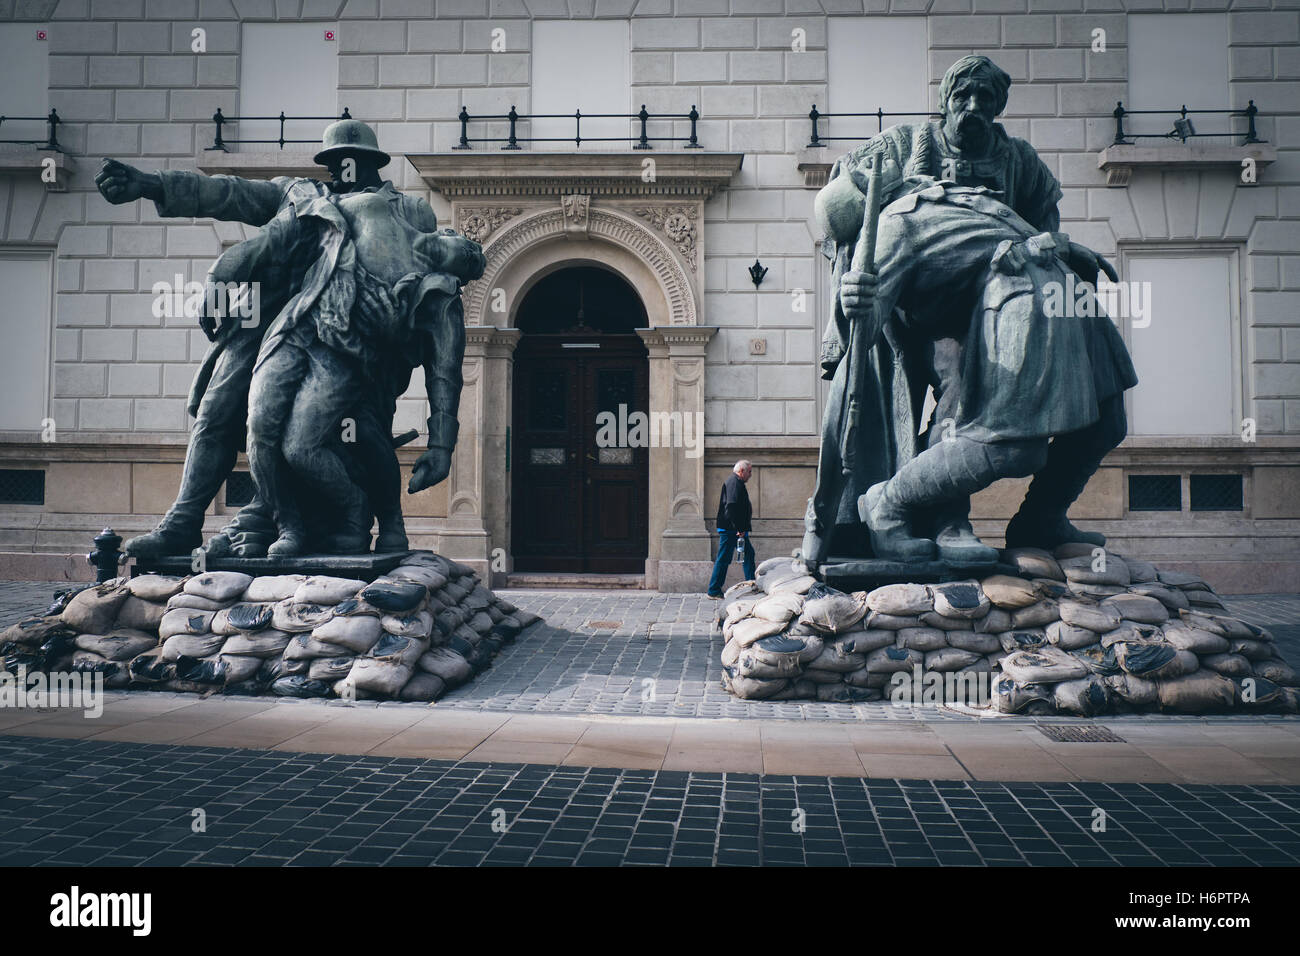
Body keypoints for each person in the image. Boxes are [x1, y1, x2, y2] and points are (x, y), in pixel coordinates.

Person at [800, 54, 1136, 569]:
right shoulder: (904, 166)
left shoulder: (1020, 161)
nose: (974, 106)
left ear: (999, 106)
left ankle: (1042, 517)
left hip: (1013, 292)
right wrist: (855, 290)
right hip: (930, 308)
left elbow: (1039, 228)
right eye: (963, 96)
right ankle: (940, 517)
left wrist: (1064, 249)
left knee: (1107, 415)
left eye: (985, 98)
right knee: (960, 394)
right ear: (945, 102)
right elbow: (835, 214)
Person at [93, 119, 483, 556]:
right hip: (275, 320)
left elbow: (432, 319)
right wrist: (151, 184)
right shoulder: (301, 194)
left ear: (372, 162)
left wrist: (439, 437)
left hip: (352, 342)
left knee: (337, 435)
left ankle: (298, 519)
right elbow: (227, 193)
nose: (341, 169)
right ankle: (186, 521)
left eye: (347, 160)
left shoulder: (410, 211)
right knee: (219, 411)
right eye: (333, 162)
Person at [707, 460, 757, 598]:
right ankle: (713, 590)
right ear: (741, 471)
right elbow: (731, 506)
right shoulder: (734, 482)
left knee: (748, 554)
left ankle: (751, 584)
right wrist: (739, 528)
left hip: (734, 529)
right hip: (732, 530)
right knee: (724, 558)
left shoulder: (736, 482)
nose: (750, 475)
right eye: (749, 471)